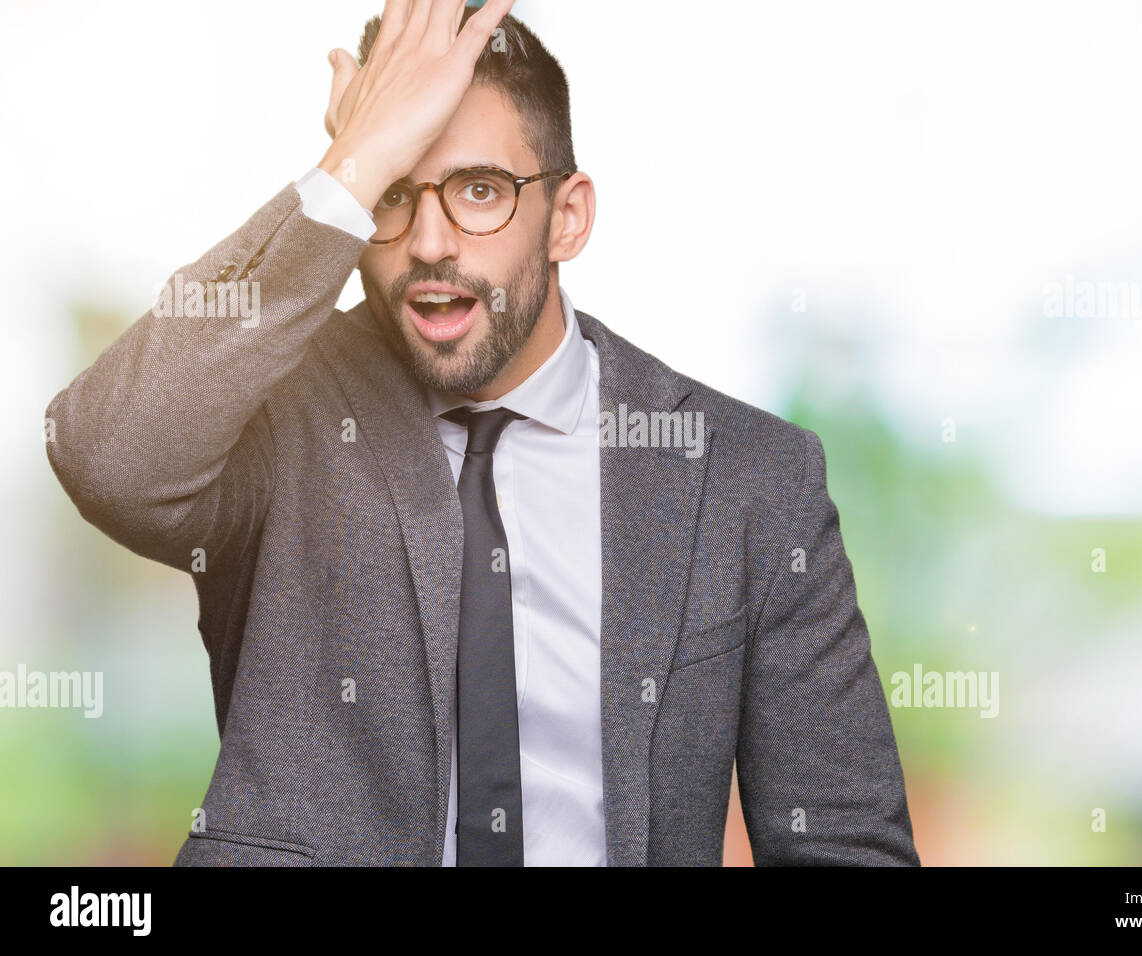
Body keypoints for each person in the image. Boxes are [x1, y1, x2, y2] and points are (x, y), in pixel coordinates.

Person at [43, 0, 919, 866]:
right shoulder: (274, 417)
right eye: (392, 194)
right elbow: (110, 458)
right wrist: (348, 166)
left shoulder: (750, 480)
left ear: (567, 217)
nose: (429, 241)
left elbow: (847, 845)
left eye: (479, 192)